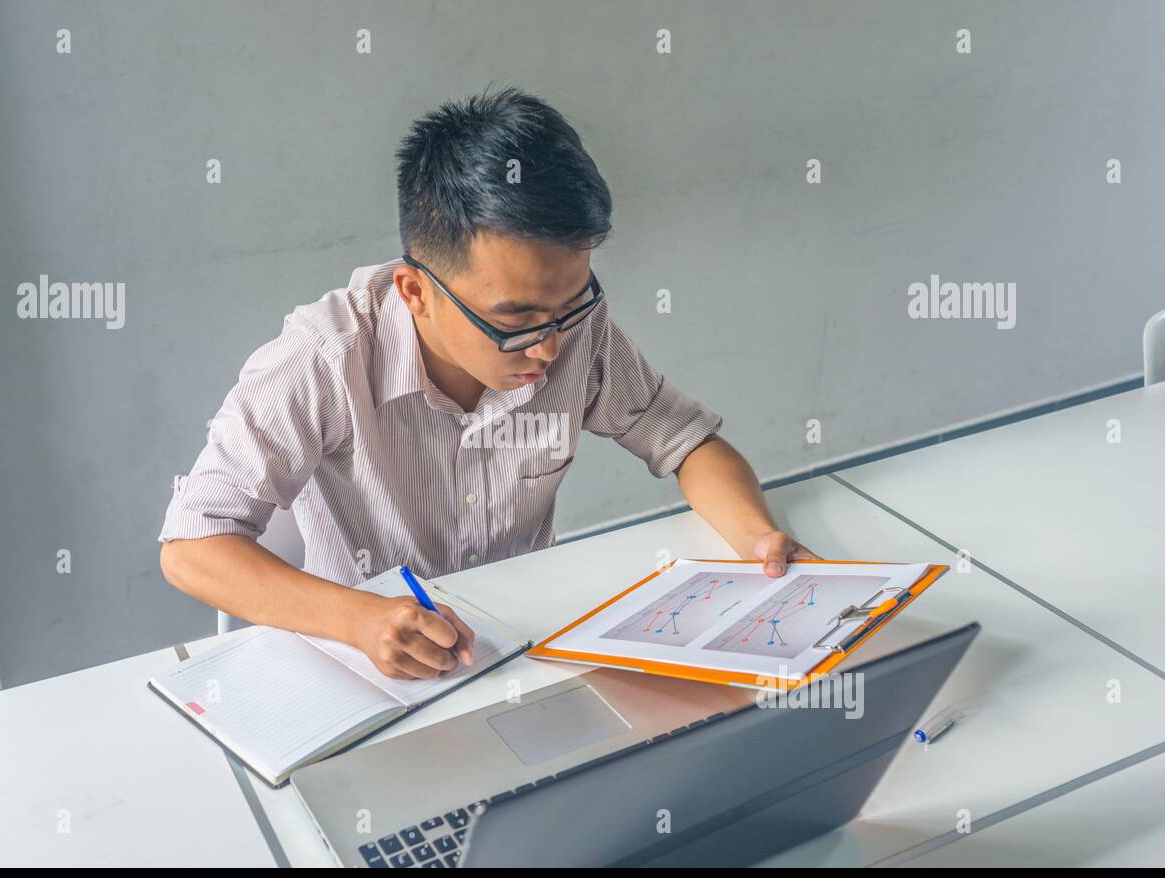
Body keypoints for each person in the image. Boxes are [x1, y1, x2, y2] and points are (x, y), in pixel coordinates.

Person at [159, 86, 817, 681]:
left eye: (570, 304)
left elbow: (683, 438)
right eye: (516, 319)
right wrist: (357, 619)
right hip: (366, 666)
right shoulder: (325, 358)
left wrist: (758, 539)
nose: (551, 344)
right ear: (416, 291)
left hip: (522, 649)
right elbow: (192, 546)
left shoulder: (572, 328)